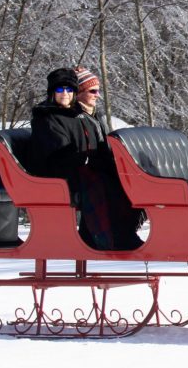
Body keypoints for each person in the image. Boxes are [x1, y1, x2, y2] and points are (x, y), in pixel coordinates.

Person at [29, 67, 141, 250]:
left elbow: (95, 147)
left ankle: (118, 231)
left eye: (69, 90)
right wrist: (88, 160)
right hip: (58, 175)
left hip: (80, 168)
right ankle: (108, 236)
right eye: (59, 90)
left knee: (123, 177)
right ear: (52, 93)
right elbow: (58, 154)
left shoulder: (79, 116)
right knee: (99, 181)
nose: (65, 94)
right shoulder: (47, 118)